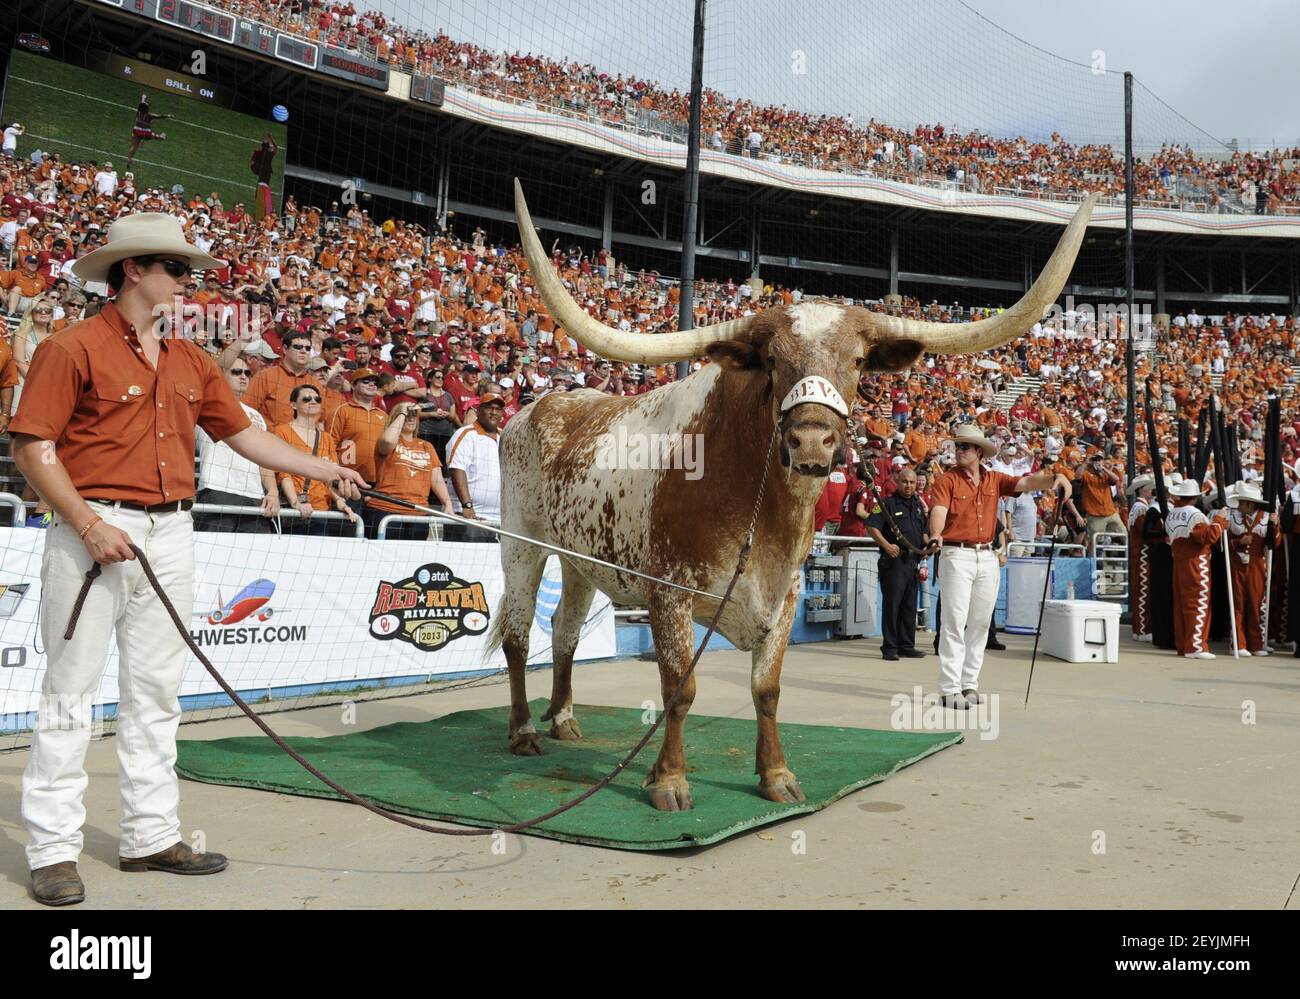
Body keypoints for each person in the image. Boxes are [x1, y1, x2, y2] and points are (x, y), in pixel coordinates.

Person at [9, 212, 365, 907]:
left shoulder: (190, 361)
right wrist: (84, 521)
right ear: (133, 269)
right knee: (70, 690)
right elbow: (32, 447)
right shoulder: (71, 347)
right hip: (95, 527)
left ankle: (150, 833)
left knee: (156, 692)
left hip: (172, 529)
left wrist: (325, 466)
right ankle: (52, 847)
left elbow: (246, 439)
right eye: (175, 268)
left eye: (187, 271)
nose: (186, 281)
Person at [928, 425, 1070, 709]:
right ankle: (949, 688)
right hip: (956, 553)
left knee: (980, 622)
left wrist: (1058, 477)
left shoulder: (994, 479)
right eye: (958, 446)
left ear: (978, 452)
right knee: (954, 621)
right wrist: (935, 535)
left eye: (965, 447)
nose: (959, 451)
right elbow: (938, 511)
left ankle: (969, 684)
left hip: (987, 555)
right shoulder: (947, 481)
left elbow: (1026, 483)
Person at [195, 359, 280, 532]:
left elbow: (263, 457)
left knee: (254, 557)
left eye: (247, 373)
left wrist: (272, 491)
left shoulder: (256, 415)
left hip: (255, 496)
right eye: (236, 372)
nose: (243, 377)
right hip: (216, 490)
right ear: (221, 374)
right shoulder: (206, 404)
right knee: (213, 556)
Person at [272, 384, 360, 536]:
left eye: (317, 399)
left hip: (321, 511)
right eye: (306, 399)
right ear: (293, 405)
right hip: (293, 512)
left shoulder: (326, 437)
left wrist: (340, 501)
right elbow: (283, 474)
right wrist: (296, 503)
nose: (313, 401)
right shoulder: (282, 431)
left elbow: (331, 477)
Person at [865, 466, 930, 661]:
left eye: (912, 482)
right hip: (894, 562)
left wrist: (928, 547)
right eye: (905, 482)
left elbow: (923, 532)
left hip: (913, 562)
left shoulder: (918, 505)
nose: (909, 485)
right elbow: (871, 527)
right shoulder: (886, 504)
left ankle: (906, 645)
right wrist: (886, 545)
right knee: (893, 605)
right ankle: (890, 647)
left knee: (909, 606)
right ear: (897, 481)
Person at [366, 402, 454, 539]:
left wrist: (447, 502)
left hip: (419, 513)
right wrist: (402, 411)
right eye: (407, 415)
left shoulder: (427, 446)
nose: (411, 418)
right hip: (385, 509)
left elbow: (436, 478)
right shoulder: (389, 440)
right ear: (397, 417)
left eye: (414, 415)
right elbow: (388, 442)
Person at [1165, 479, 1223, 660]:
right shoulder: (1194, 514)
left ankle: (1184, 645)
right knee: (1197, 603)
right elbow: (1207, 536)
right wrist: (1219, 520)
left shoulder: (1172, 513)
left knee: (1182, 604)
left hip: (1179, 562)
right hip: (1196, 562)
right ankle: (1196, 646)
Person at [1223, 482, 1275, 656]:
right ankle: (1238, 643)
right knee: (1238, 603)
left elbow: (1275, 544)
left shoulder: (1267, 518)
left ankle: (1256, 644)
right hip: (1237, 564)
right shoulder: (1233, 518)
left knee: (1256, 602)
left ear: (1250, 504)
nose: (1238, 506)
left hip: (1257, 565)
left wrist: (1274, 527)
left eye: (1242, 503)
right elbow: (1223, 543)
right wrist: (1239, 542)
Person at [445, 391, 504, 542]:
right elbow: (457, 469)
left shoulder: (504, 437)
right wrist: (467, 505)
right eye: (489, 408)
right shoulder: (465, 434)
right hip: (468, 516)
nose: (494, 412)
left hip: (499, 519)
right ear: (478, 410)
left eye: (498, 409)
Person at [243, 329, 320, 427]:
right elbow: (248, 411)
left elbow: (318, 420)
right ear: (285, 349)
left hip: (303, 440)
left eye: (308, 348)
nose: (303, 351)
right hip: (270, 439)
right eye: (298, 347)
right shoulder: (265, 376)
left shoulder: (315, 383)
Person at [1125, 475, 1155, 642]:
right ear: (1142, 490)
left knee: (1140, 591)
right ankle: (1143, 629)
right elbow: (1145, 533)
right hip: (1143, 554)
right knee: (1144, 591)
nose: (1151, 490)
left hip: (1139, 553)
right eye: (1148, 488)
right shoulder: (1141, 509)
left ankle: (1139, 628)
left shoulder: (1137, 507)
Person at [125, 94, 173, 171]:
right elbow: (159, 116)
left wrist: (143, 98)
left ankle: (129, 158)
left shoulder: (139, 113)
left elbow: (141, 104)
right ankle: (160, 137)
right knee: (155, 136)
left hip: (136, 130)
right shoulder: (150, 115)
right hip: (145, 132)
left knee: (134, 146)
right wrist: (168, 115)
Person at [250, 134, 278, 220]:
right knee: (264, 194)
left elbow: (251, 162)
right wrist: (271, 138)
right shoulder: (270, 154)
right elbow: (276, 148)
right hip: (266, 176)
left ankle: (260, 214)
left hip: (261, 176)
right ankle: (263, 214)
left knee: (259, 194)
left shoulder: (258, 152)